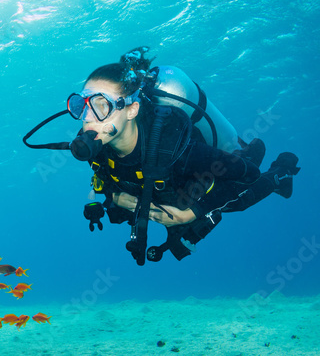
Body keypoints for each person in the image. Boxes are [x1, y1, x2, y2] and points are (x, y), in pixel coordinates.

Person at [23, 47, 301, 264]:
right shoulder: (101, 143)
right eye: (82, 107)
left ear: (131, 110)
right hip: (158, 193)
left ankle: (279, 172)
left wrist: (191, 213)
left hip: (195, 185)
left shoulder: (175, 148)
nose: (88, 120)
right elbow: (100, 177)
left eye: (100, 106)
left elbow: (247, 174)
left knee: (238, 201)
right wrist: (108, 198)